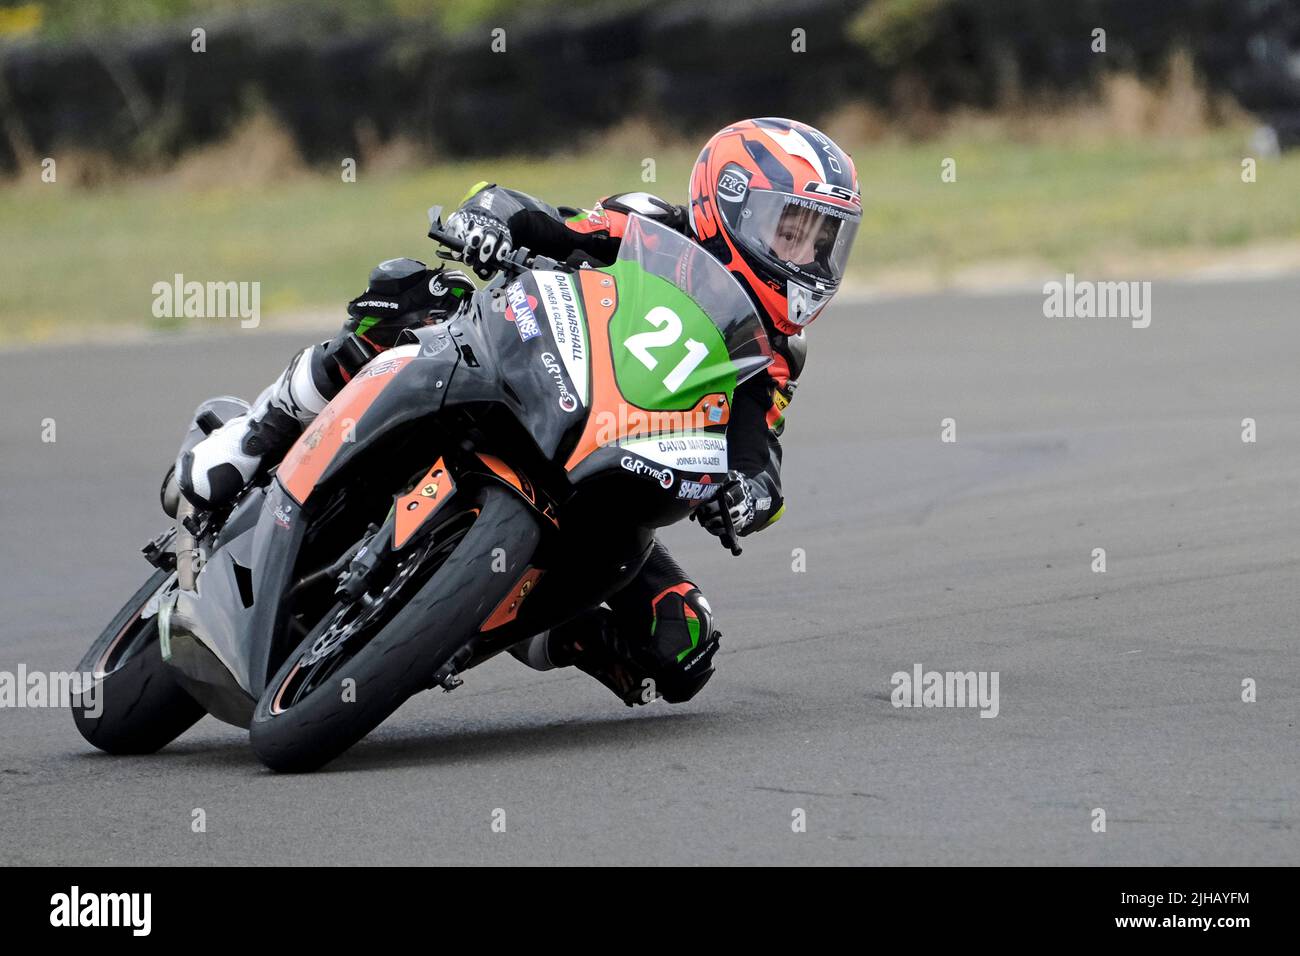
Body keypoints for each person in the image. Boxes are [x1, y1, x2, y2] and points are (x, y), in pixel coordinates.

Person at [175, 117, 862, 706]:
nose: (806, 257)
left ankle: (498, 618)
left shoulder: (771, 357)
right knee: (409, 295)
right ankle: (254, 435)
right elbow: (538, 218)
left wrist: (747, 497)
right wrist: (489, 224)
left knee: (682, 642)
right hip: (522, 375)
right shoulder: (648, 226)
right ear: (730, 204)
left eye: (822, 242)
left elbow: (760, 458)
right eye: (791, 232)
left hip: (605, 476)